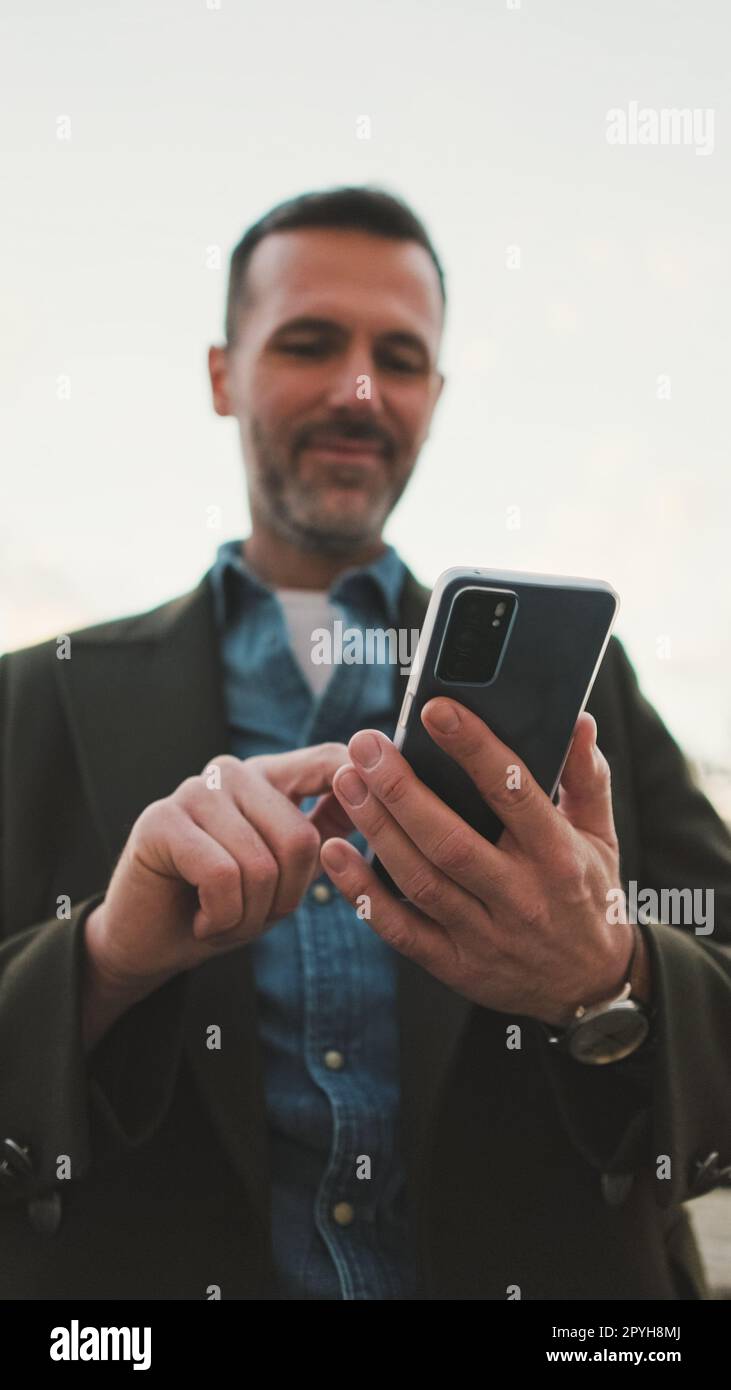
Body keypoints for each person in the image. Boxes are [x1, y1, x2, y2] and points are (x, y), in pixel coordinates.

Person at [1, 186, 730, 1301]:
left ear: (433, 395)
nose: (359, 390)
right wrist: (102, 963)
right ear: (219, 373)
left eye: (398, 357)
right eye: (307, 343)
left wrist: (607, 978)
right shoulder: (32, 701)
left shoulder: (588, 683)